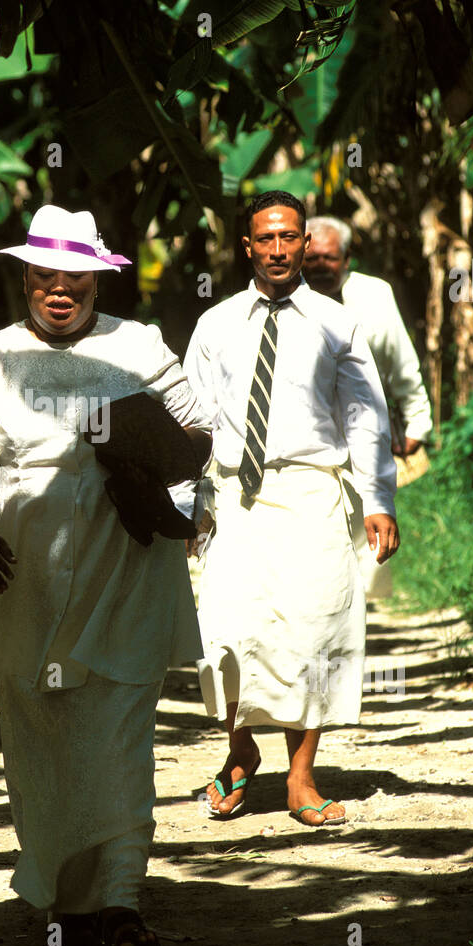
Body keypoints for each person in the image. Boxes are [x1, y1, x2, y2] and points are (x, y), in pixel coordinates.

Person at [0, 205, 207, 946]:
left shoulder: (138, 345)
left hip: (126, 565)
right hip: (27, 576)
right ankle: (65, 899)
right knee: (41, 738)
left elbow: (199, 435)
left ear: (97, 278)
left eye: (73, 276)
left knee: (119, 730)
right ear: (25, 279)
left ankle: (121, 903)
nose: (58, 289)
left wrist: (151, 458)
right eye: (43, 276)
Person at [184, 191, 399, 828]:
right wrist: (191, 506)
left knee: (312, 629)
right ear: (246, 247)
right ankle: (239, 750)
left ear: (306, 244)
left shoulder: (337, 323)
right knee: (227, 631)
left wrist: (377, 500)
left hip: (311, 492)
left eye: (289, 237)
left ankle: (302, 777)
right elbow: (195, 422)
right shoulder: (215, 324)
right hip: (235, 497)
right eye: (265, 239)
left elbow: (366, 419)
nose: (277, 249)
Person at [304, 215, 433, 595]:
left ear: (346, 258)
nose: (321, 267)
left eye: (329, 258)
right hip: (309, 433)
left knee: (366, 519)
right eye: (313, 259)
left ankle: (357, 617)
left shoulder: (375, 294)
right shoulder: (289, 297)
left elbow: (401, 361)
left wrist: (417, 422)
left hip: (365, 426)